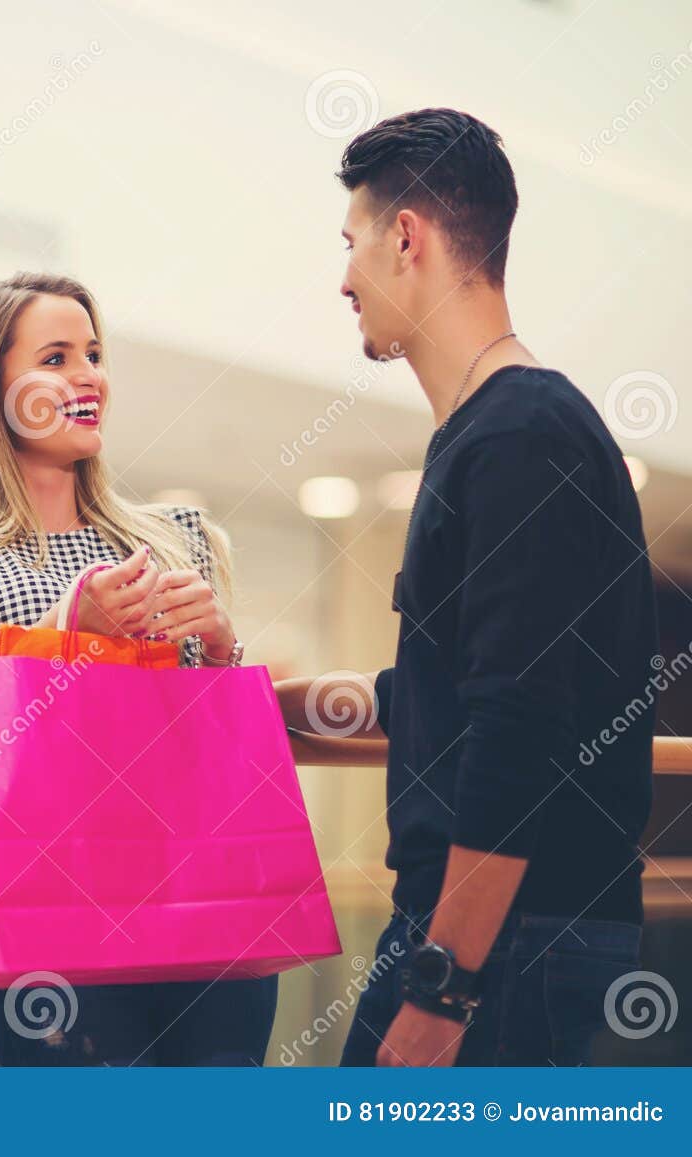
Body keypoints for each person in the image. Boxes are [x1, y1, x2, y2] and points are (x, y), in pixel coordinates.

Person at [277, 109, 656, 1066]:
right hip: (507, 938)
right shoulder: (496, 431)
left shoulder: (520, 436)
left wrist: (443, 988)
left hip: (503, 947)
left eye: (352, 242)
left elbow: (517, 729)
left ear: (406, 239)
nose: (342, 277)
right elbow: (443, 693)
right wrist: (258, 709)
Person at [0, 271, 278, 1066]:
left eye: (93, 354)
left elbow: (207, 746)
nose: (88, 376)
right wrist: (71, 629)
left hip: (201, 902)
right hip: (47, 906)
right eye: (56, 357)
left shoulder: (173, 534)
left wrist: (225, 649)